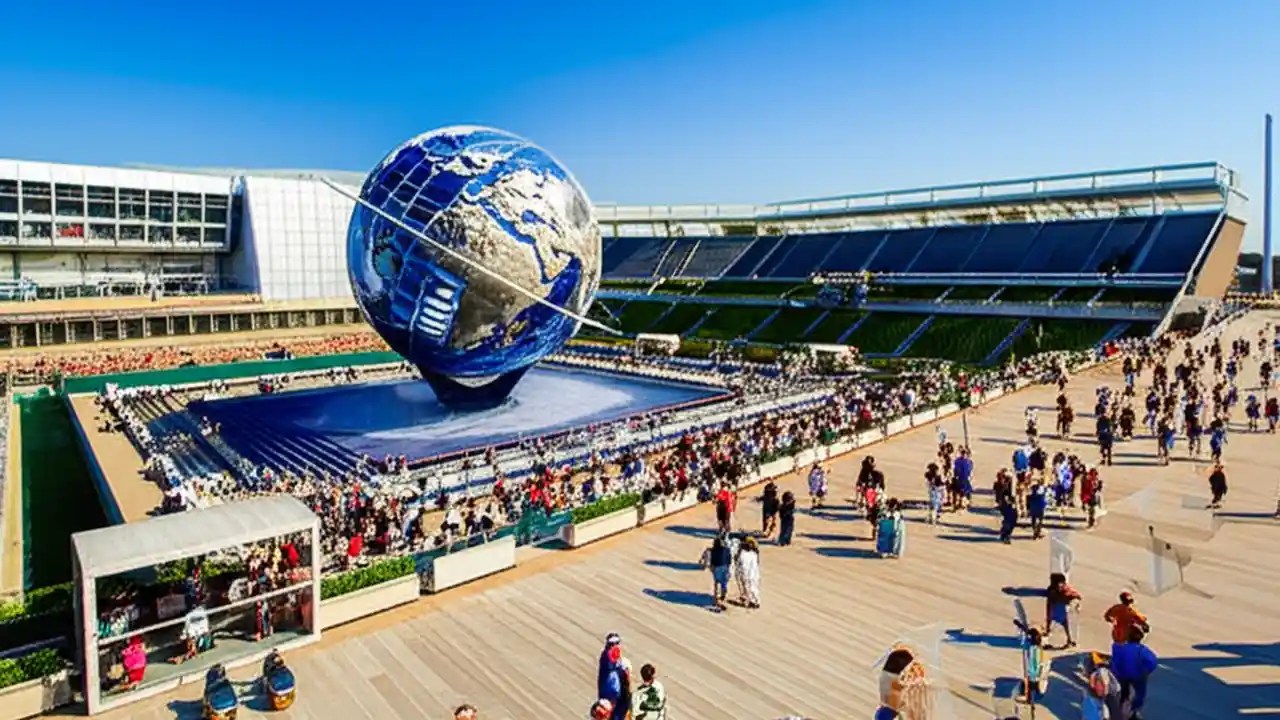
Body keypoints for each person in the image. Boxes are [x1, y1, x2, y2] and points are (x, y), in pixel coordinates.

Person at [1111, 625, 1158, 719]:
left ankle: (1122, 711)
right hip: (1138, 676)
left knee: (1123, 694)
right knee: (1139, 694)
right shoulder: (1142, 650)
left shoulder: (1122, 649)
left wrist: (1115, 673)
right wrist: (1146, 671)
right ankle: (1133, 710)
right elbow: (1152, 662)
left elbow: (1115, 662)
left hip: (1123, 675)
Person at [1045, 572, 1081, 648]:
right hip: (1056, 610)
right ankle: (1069, 640)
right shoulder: (1053, 590)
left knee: (1066, 625)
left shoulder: (1064, 590)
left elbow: (1075, 595)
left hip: (1060, 610)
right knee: (1064, 625)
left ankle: (1070, 640)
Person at [702, 533, 733, 610]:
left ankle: (717, 599)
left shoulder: (714, 550)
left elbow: (712, 560)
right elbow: (729, 559)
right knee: (724, 582)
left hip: (717, 568)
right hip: (725, 567)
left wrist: (711, 567)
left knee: (717, 583)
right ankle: (723, 595)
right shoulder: (727, 549)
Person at [735, 536, 762, 608]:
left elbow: (742, 564)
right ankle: (750, 600)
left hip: (749, 574)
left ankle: (755, 601)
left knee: (751, 588)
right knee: (749, 587)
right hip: (750, 574)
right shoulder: (753, 553)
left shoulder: (747, 554)